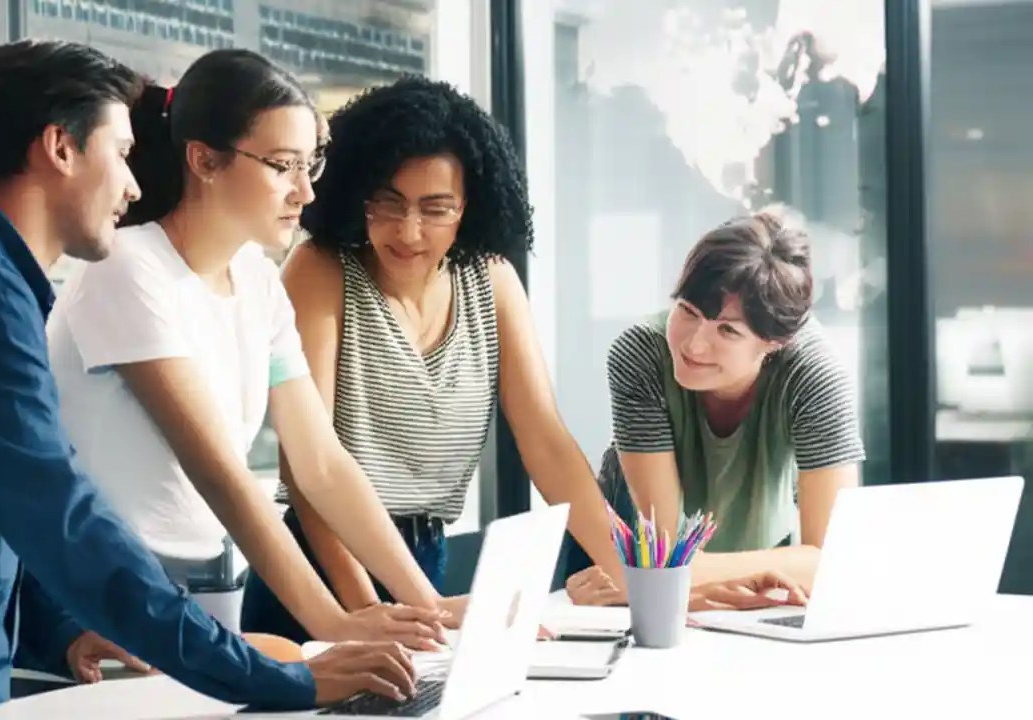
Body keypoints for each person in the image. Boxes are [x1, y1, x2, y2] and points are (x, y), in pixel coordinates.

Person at [0, 39, 415, 719]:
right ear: (60, 147)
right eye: (122, 153)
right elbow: (61, 515)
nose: (136, 185)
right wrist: (281, 678)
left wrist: (61, 626)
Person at [43, 47, 456, 654]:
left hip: (199, 584)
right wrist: (334, 624)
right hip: (95, 596)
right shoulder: (128, 270)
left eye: (310, 165)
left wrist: (430, 606)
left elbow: (321, 462)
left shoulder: (256, 279)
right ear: (204, 160)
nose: (306, 192)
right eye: (284, 166)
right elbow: (221, 473)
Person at [237, 75, 635, 642]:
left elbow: (547, 444)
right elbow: (308, 472)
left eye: (436, 208)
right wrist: (359, 613)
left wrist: (640, 578)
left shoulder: (491, 280)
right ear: (358, 193)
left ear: (469, 206)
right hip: (321, 568)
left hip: (424, 555)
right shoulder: (319, 269)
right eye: (388, 203)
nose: (409, 230)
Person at [562, 210, 864, 606]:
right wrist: (664, 579)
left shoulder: (814, 375)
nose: (693, 345)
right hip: (620, 565)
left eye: (728, 330)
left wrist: (671, 578)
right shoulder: (641, 354)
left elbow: (836, 559)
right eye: (688, 311)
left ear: (775, 342)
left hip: (752, 578)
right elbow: (661, 554)